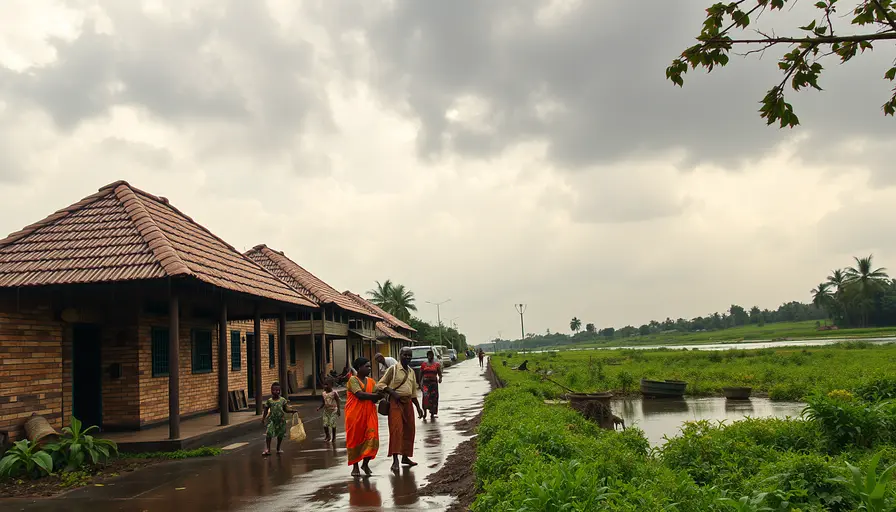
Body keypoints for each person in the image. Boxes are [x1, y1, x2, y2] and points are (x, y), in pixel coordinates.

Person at [377, 347, 424, 472]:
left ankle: (405, 457)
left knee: (409, 430)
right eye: (405, 355)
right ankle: (395, 460)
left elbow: (413, 392)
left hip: (408, 402)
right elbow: (380, 384)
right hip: (395, 403)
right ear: (400, 355)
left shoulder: (411, 372)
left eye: (410, 355)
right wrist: (392, 392)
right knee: (396, 430)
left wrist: (418, 407)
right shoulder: (392, 370)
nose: (407, 357)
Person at [345, 357, 382, 476]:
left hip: (369, 414)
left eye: (370, 366)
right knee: (355, 439)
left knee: (372, 437)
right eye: (367, 366)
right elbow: (360, 395)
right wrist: (376, 396)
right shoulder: (353, 380)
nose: (369, 368)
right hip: (355, 415)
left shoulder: (371, 381)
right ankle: (355, 466)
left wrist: (383, 393)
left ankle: (365, 463)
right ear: (359, 368)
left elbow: (378, 392)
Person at [261, 381, 293, 456]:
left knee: (280, 434)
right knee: (269, 433)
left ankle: (278, 448)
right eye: (274, 390)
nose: (276, 392)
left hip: (281, 421)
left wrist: (292, 411)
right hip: (272, 420)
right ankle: (268, 449)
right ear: (271, 391)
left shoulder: (283, 400)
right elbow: (266, 410)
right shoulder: (269, 401)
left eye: (278, 390)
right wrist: (263, 418)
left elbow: (285, 409)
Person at [420, 350, 443, 420]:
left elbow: (440, 374)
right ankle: (425, 413)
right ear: (427, 356)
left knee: (434, 398)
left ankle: (432, 413)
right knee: (425, 398)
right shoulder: (424, 364)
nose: (430, 357)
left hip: (433, 384)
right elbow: (420, 375)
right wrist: (420, 383)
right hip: (426, 384)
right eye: (428, 355)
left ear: (433, 356)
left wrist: (440, 379)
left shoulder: (436, 365)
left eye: (431, 355)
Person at [318, 376, 341, 442]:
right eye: (324, 384)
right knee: (325, 424)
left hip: (333, 410)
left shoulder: (334, 393)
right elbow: (323, 402)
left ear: (331, 385)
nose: (325, 386)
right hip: (326, 411)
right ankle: (327, 436)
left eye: (327, 384)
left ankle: (334, 437)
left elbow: (337, 401)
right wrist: (319, 407)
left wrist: (338, 410)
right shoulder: (323, 393)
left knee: (332, 424)